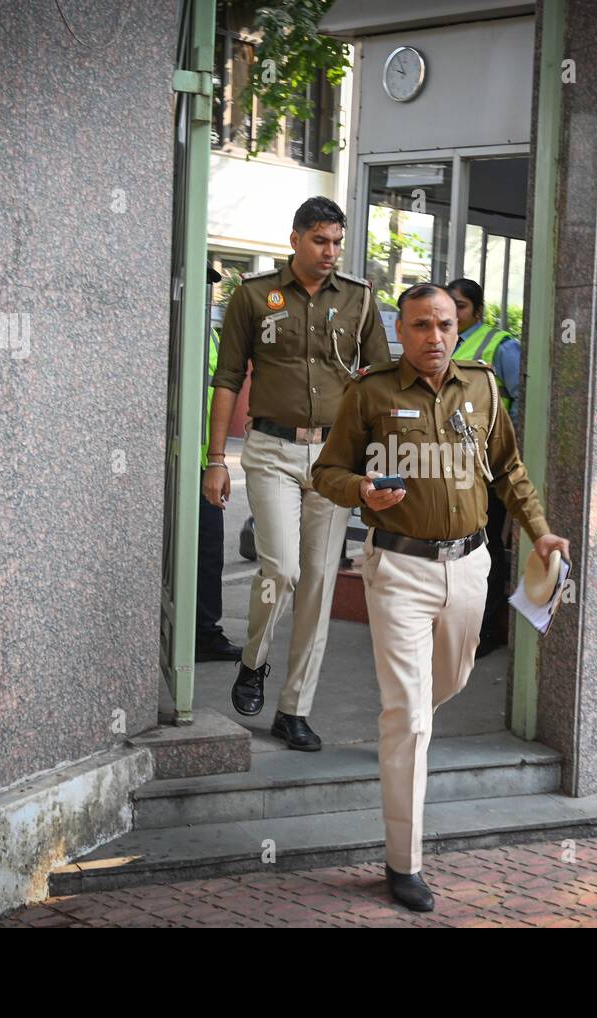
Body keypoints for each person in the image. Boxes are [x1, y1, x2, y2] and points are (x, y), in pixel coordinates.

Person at [311, 282, 568, 911]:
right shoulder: (371, 391)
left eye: (445, 324)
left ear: (460, 327)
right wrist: (362, 492)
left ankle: (409, 720)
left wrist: (539, 533)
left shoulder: (480, 386)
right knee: (409, 717)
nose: (435, 337)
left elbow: (508, 467)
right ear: (402, 329)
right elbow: (326, 472)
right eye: (422, 325)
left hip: (470, 566)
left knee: (445, 682)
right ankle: (405, 862)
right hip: (398, 569)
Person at [203, 197, 391, 751]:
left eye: (337, 242)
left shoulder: (358, 301)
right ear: (295, 240)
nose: (330, 252)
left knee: (318, 583)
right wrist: (216, 460)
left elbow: (379, 382)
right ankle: (253, 660)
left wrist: (378, 462)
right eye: (319, 241)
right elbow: (228, 378)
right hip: (270, 450)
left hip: (333, 459)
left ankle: (295, 708)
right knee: (281, 570)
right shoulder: (255, 295)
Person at [446, 278, 522, 658]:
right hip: (447, 468)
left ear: (476, 309)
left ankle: (486, 630)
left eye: (459, 306)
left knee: (484, 551)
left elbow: (520, 401)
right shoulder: (440, 342)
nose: (452, 314)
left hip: (488, 469)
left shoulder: (501, 345)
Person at [196, 294, 242, 662]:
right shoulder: (174, 328)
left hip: (203, 463)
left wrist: (218, 460)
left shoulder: (210, 335)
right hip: (178, 464)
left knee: (209, 552)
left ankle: (203, 634)